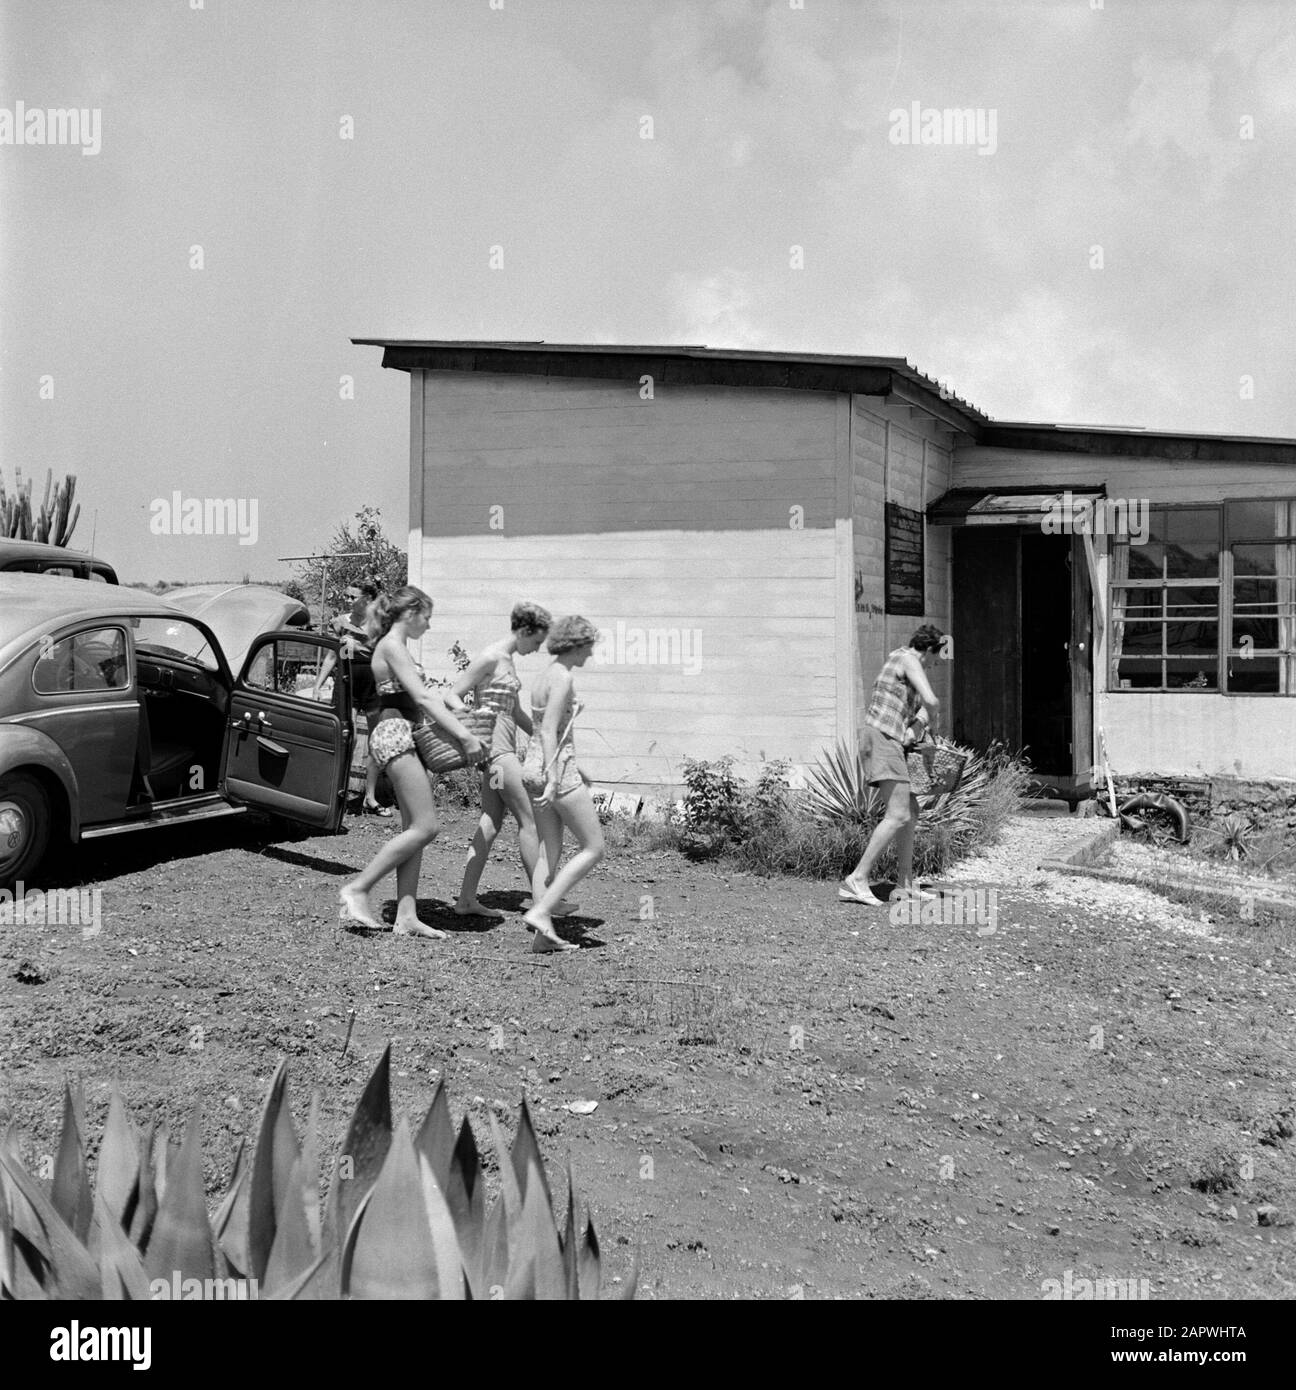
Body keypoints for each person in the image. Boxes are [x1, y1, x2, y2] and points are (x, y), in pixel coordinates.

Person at [338, 587, 486, 937]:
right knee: (427, 827)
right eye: (427, 617)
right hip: (395, 733)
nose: (429, 626)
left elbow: (417, 701)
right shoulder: (391, 645)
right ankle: (358, 889)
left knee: (413, 831)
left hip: (401, 732)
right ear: (412, 612)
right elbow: (421, 696)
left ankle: (406, 916)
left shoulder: (394, 646)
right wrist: (465, 736)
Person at [442, 600, 554, 919]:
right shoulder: (491, 657)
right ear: (523, 630)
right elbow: (452, 694)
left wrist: (547, 737)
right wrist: (473, 724)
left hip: (496, 761)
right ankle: (543, 900)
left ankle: (465, 900)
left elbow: (515, 712)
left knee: (491, 821)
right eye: (535, 641)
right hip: (497, 754)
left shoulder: (508, 661)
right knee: (530, 819)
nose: (536, 649)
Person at [839, 624, 945, 907]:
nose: (934, 666)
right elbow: (932, 700)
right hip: (882, 739)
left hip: (888, 740)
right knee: (898, 814)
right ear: (929, 650)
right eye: (935, 660)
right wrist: (933, 720)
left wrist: (921, 722)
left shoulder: (900, 663)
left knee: (910, 809)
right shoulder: (909, 658)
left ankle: (904, 884)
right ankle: (857, 879)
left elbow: (912, 720)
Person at [520, 615, 604, 952]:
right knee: (594, 847)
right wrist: (556, 778)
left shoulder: (545, 674)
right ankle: (542, 910)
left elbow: (547, 723)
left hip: (531, 768)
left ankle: (544, 937)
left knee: (547, 852)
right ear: (576, 644)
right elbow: (547, 729)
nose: (591, 654)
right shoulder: (564, 677)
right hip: (556, 770)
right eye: (589, 646)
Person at [314, 579, 390, 817]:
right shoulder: (340, 622)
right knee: (349, 739)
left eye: (351, 596)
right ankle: (338, 793)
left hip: (373, 686)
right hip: (347, 685)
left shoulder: (379, 624)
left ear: (366, 600)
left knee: (375, 741)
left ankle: (370, 797)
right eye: (345, 595)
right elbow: (331, 656)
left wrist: (358, 647)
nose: (346, 600)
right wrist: (318, 685)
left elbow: (387, 653)